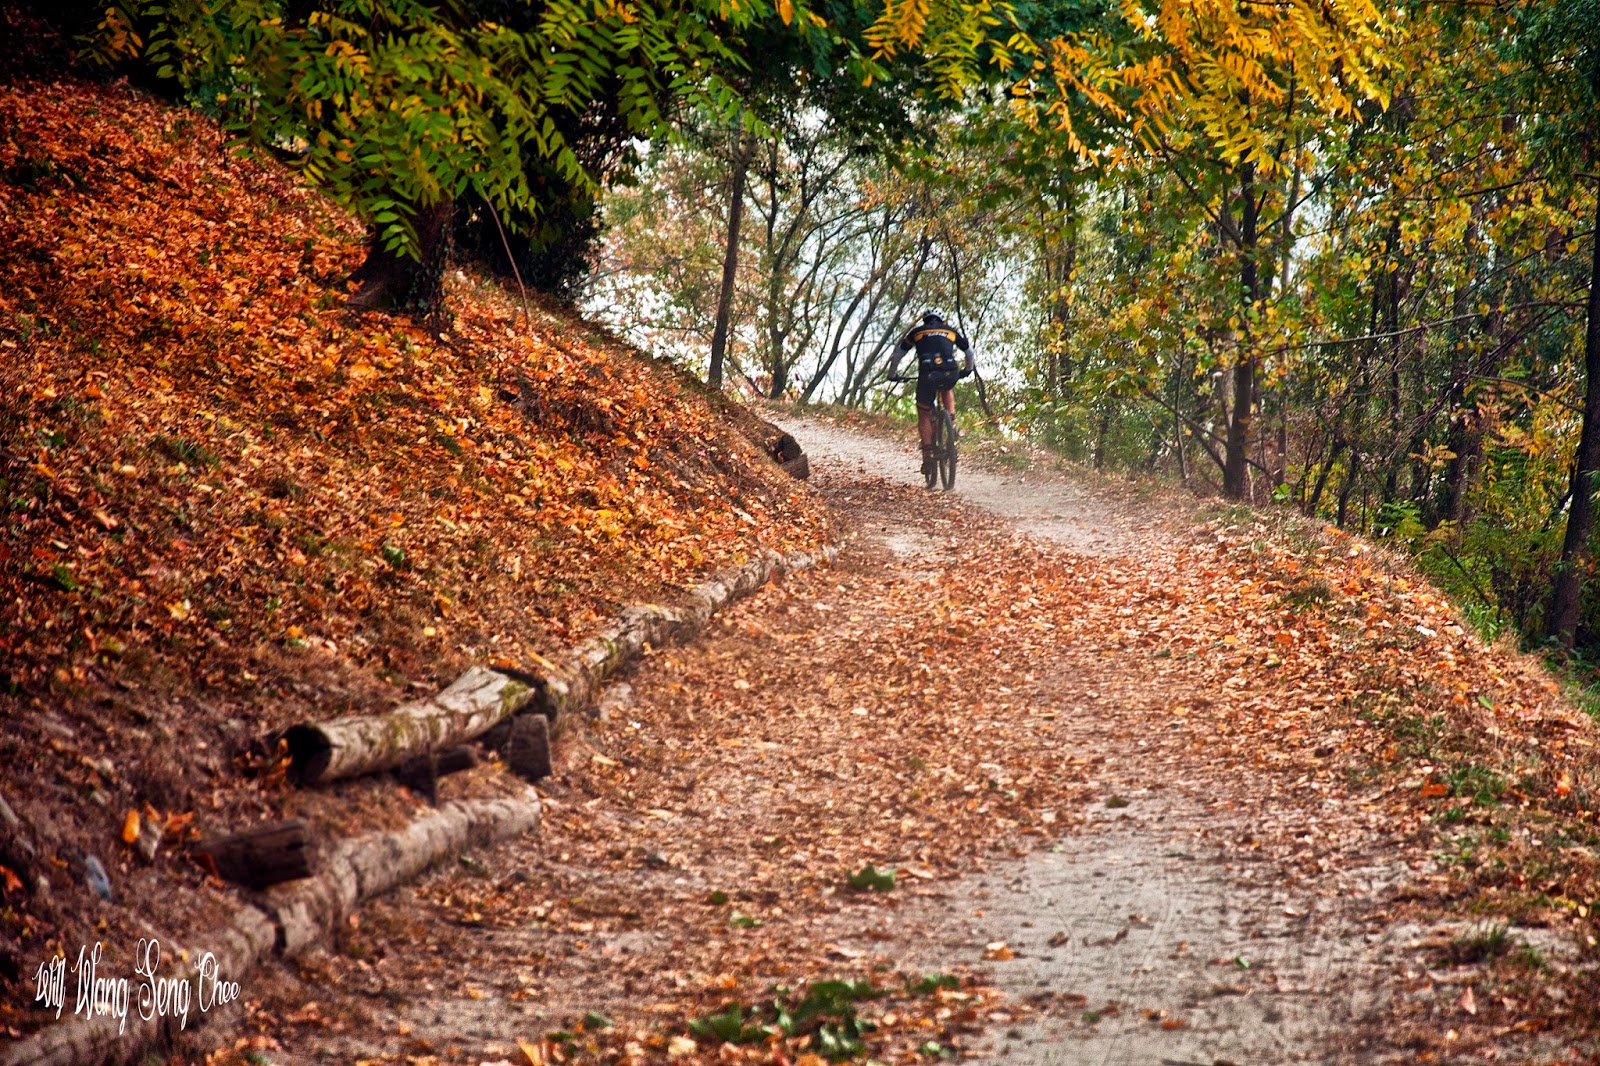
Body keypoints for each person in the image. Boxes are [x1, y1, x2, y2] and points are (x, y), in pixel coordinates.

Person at [887, 308, 975, 476]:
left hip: (927, 375)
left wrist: (892, 375)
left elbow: (897, 355)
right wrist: (968, 370)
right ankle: (951, 424)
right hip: (950, 371)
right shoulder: (950, 331)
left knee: (924, 412)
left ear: (924, 320)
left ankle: (927, 454)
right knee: (947, 388)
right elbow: (969, 353)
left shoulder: (917, 332)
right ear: (942, 320)